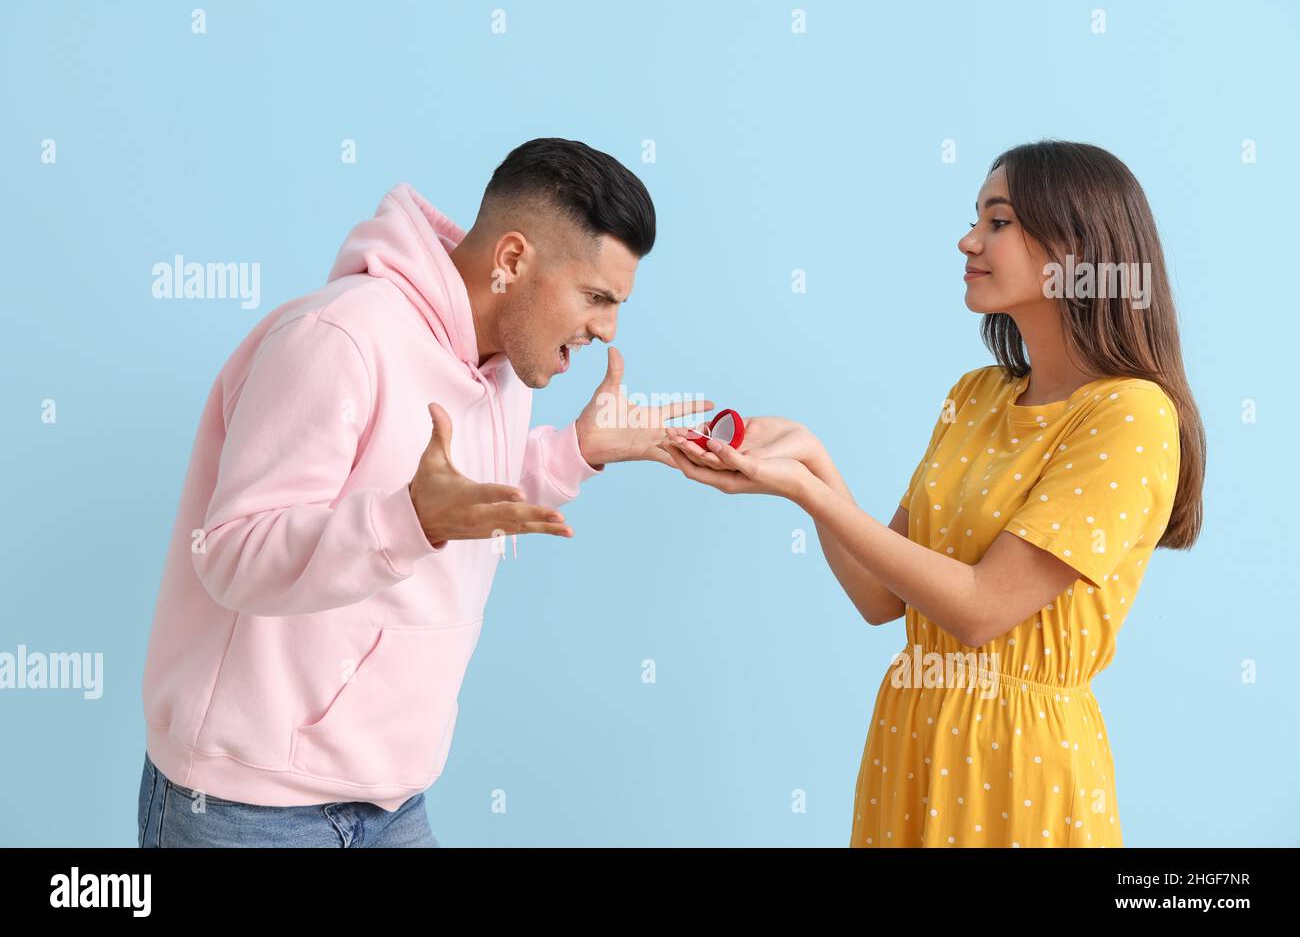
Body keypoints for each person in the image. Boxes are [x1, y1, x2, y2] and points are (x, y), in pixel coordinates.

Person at [139, 138, 710, 847]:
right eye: (596, 297)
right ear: (512, 261)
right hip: (246, 802)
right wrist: (406, 521)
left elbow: (454, 495)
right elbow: (230, 553)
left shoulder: (503, 363)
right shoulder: (338, 339)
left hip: (392, 795)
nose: (606, 329)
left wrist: (574, 453)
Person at [662, 140, 1205, 848]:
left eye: (998, 221)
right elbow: (880, 598)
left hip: (1020, 760)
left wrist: (813, 495)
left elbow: (982, 610)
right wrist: (812, 469)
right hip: (911, 734)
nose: (968, 239)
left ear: (1074, 248)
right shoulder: (975, 396)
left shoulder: (1130, 415)